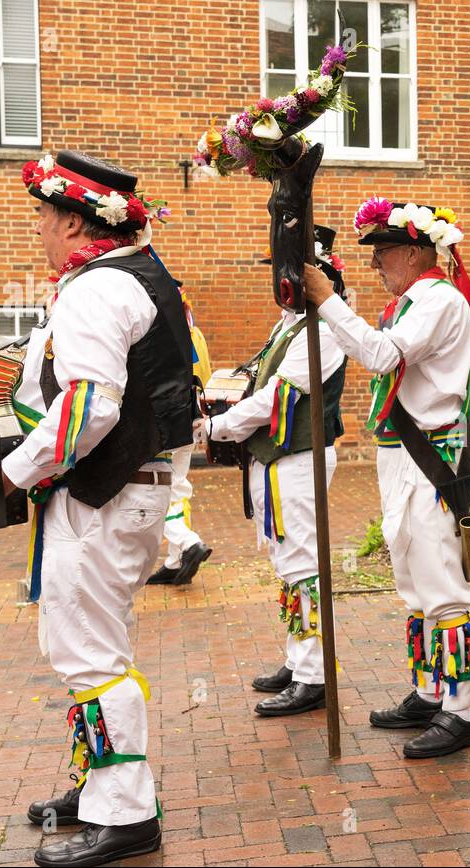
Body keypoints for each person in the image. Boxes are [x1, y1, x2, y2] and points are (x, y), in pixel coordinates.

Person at [0, 150, 193, 865]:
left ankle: (124, 815)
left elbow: (88, 408)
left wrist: (7, 478)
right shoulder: (135, 278)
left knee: (90, 653)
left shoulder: (96, 291)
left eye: (43, 217)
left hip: (104, 496)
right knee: (93, 645)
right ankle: (100, 786)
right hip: (124, 494)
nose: (38, 231)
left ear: (71, 220)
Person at [302, 199, 470, 759]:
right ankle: (429, 691)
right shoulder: (412, 303)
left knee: (443, 586)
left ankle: (460, 712)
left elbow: (383, 359)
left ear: (414, 252)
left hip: (430, 457)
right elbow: (444, 375)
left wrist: (330, 302)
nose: (376, 265)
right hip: (404, 455)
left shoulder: (436, 301)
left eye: (383, 254)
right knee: (413, 579)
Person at [209, 230, 347, 716]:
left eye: (282, 268)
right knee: (287, 562)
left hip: (298, 459)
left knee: (303, 565)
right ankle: (299, 659)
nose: (275, 277)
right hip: (276, 460)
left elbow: (277, 399)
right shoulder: (290, 324)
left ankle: (313, 677)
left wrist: (217, 426)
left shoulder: (322, 330)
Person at [148, 283, 213, 585]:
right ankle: (176, 561)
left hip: (164, 423)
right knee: (178, 487)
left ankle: (187, 542)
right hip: (189, 418)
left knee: (154, 490)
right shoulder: (192, 335)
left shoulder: (155, 336)